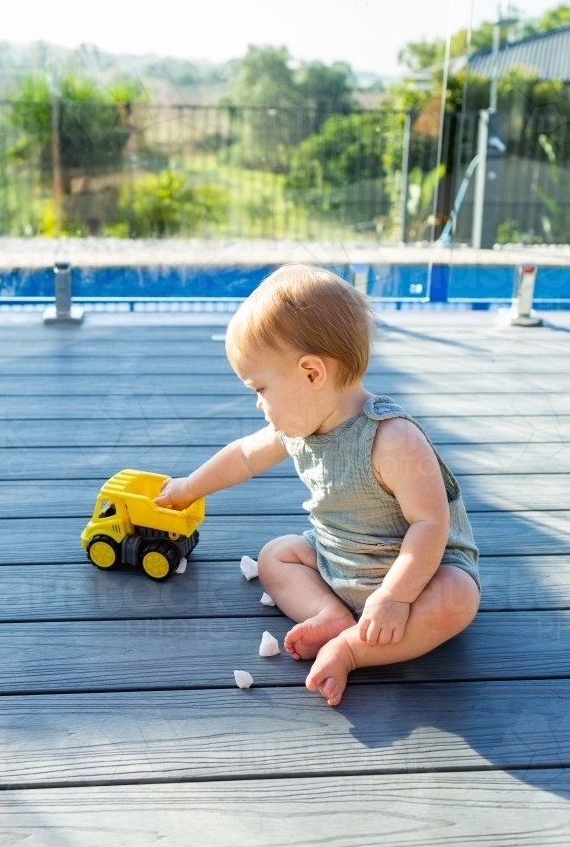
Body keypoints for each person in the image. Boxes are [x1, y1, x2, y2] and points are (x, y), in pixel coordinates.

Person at [155, 264, 480, 707]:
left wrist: (395, 595)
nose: (258, 402)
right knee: (277, 555)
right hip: (336, 558)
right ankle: (329, 615)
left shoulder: (392, 438)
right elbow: (244, 456)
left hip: (415, 575)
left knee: (457, 599)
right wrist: (189, 487)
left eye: (262, 388)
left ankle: (350, 649)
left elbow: (431, 523)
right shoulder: (296, 425)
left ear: (311, 374)